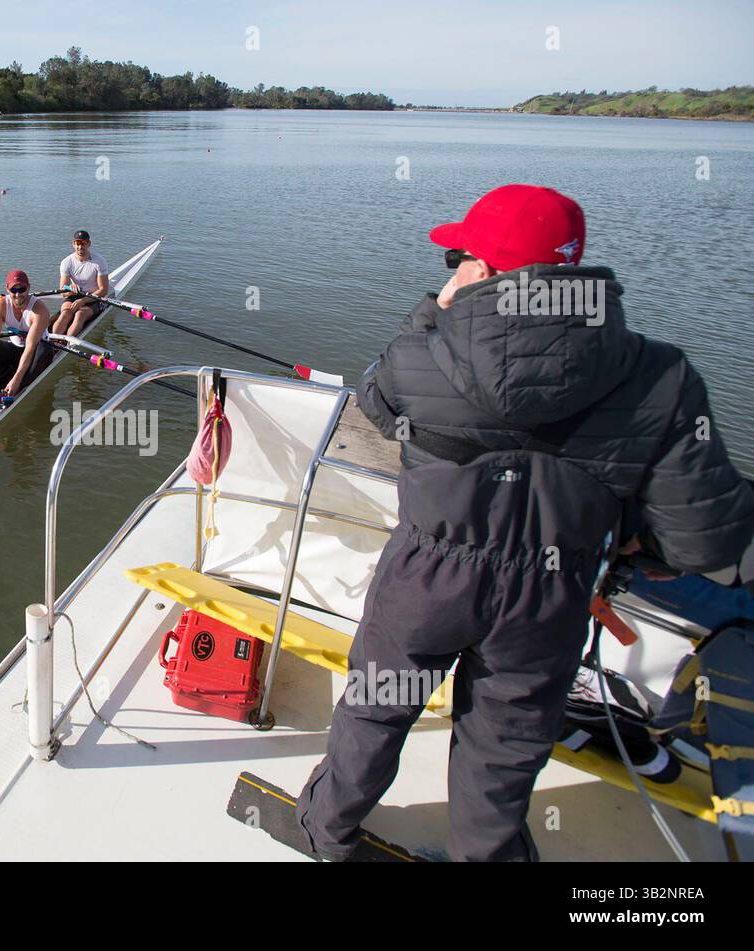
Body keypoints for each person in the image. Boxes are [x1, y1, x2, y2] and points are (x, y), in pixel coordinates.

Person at [295, 183, 754, 862]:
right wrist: (626, 538)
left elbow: (376, 403)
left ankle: (323, 828)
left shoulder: (421, 351)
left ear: (484, 270)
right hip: (551, 591)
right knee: (504, 744)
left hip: (426, 574)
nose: (451, 269)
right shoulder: (662, 375)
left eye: (460, 257)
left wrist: (432, 313)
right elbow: (706, 538)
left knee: (375, 705)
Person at [0, 269, 53, 399]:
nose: (17, 294)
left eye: (22, 289)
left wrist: (17, 379)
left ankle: (17, 389)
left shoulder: (39, 311)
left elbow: (30, 348)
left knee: (45, 349)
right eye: (13, 290)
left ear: (29, 288)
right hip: (15, 351)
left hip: (34, 354)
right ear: (7, 289)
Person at [53, 230, 109, 337]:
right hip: (74, 296)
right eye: (78, 243)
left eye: (83, 243)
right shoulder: (66, 262)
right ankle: (53, 342)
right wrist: (69, 288)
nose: (80, 247)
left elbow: (103, 290)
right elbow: (63, 291)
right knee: (65, 314)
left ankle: (68, 344)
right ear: (73, 244)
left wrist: (82, 301)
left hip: (94, 297)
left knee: (79, 315)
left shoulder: (99, 261)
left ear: (89, 244)